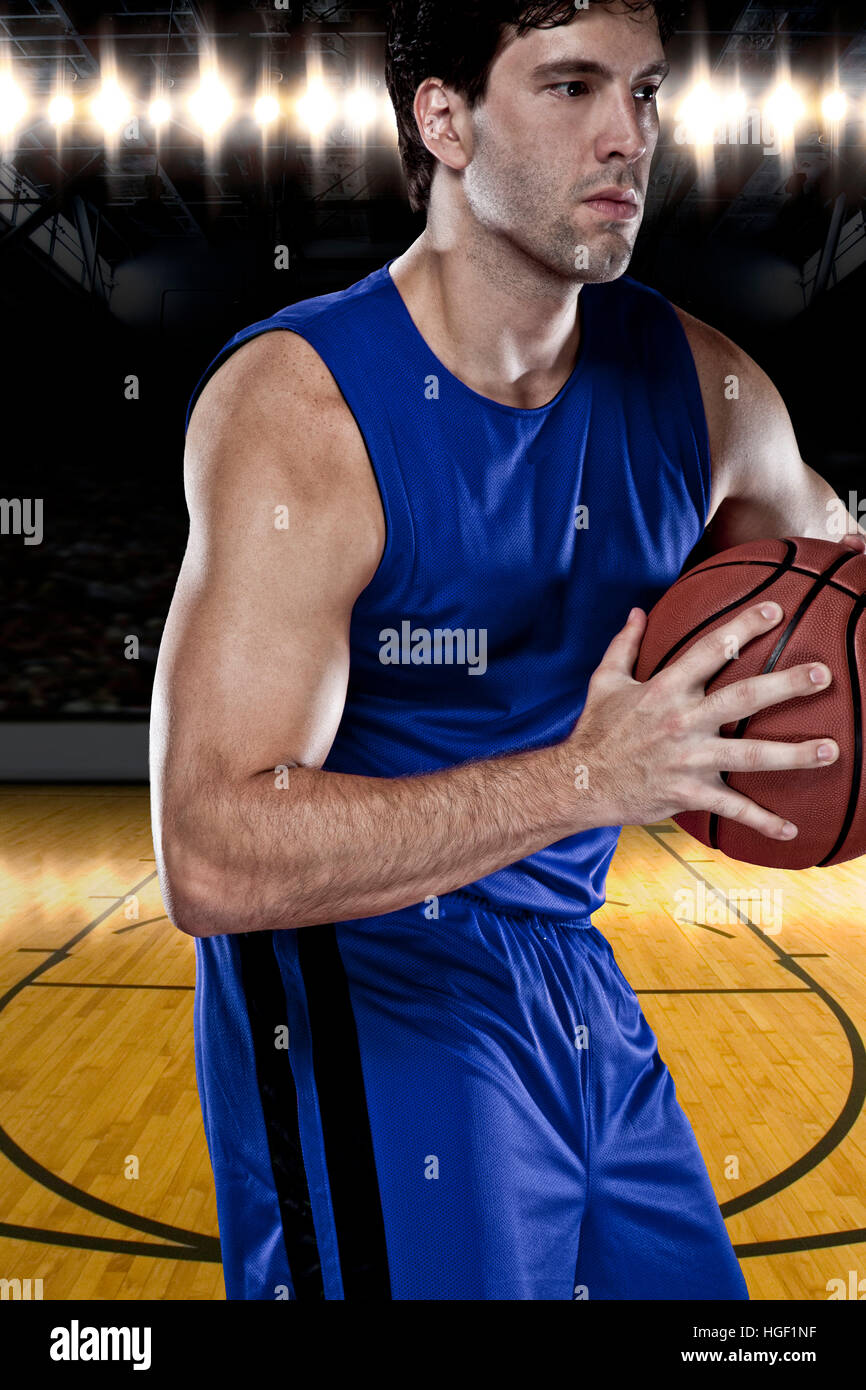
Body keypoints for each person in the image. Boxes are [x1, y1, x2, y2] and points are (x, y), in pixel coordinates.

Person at [150, 0, 866, 1299]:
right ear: (444, 120)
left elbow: (840, 576)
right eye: (570, 88)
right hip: (365, 982)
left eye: (643, 93)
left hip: (567, 973)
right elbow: (207, 848)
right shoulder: (304, 413)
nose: (625, 137)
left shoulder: (702, 394)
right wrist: (586, 782)